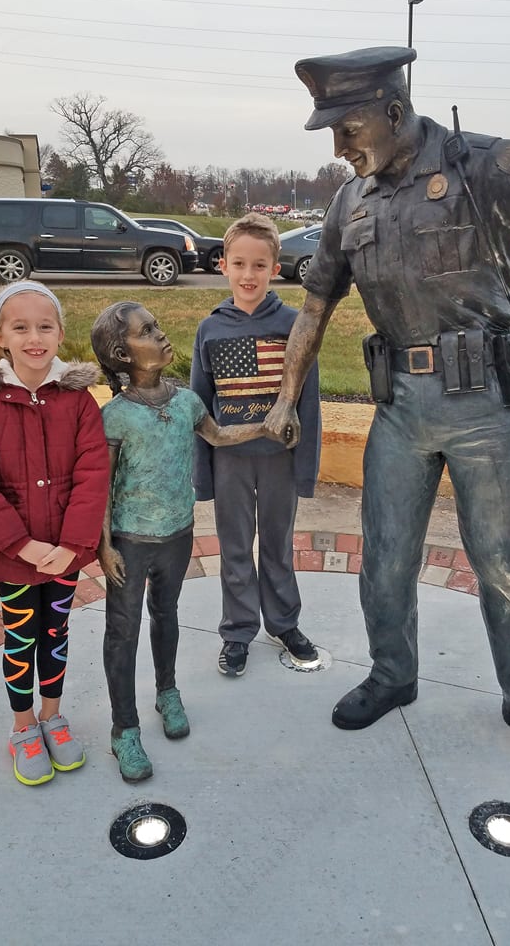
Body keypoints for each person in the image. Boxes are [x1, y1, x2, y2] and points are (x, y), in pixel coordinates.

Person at [265, 18, 510, 776]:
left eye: (348, 129)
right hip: (402, 406)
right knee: (384, 557)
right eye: (332, 133)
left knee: (501, 563)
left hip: (488, 407)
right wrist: (284, 397)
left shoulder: (481, 164)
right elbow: (315, 304)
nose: (339, 148)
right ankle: (392, 675)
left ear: (394, 111)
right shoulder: (351, 204)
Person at [90, 301, 270, 782]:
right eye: (147, 331)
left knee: (166, 615)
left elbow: (218, 435)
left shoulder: (187, 401)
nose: (161, 334)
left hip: (177, 533)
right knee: (122, 632)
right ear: (121, 354)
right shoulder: (116, 417)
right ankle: (124, 728)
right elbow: (102, 487)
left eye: (157, 325)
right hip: (130, 540)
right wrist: (103, 545)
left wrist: (265, 426)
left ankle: (166, 691)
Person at [0, 280, 109, 786]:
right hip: (13, 556)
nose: (34, 337)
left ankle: (51, 715)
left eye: (44, 326)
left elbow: (92, 473)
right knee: (21, 637)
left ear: (60, 333)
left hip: (64, 554)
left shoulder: (78, 401)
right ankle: (23, 726)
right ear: (0, 337)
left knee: (56, 633)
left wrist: (73, 545)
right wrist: (21, 544)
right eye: (20, 327)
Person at [191, 213, 322, 678]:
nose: (249, 275)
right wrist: (203, 476)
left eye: (260, 265)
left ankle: (284, 623)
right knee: (234, 548)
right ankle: (238, 630)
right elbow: (199, 409)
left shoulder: (294, 326)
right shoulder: (209, 330)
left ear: (275, 268)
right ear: (223, 266)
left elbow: (309, 403)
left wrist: (305, 471)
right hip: (229, 460)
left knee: (278, 545)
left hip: (279, 460)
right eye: (240, 264)